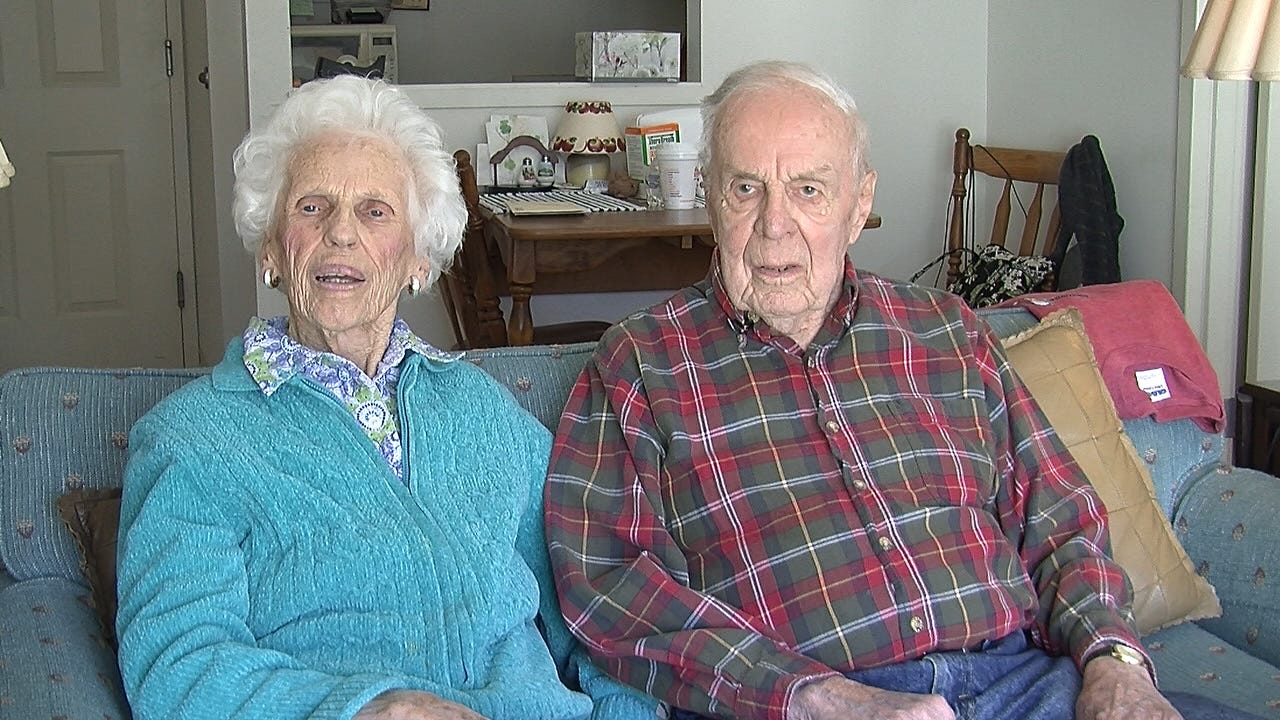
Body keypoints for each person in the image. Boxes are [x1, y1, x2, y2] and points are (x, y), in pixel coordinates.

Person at [543, 60, 1262, 720]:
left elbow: (1062, 520)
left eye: (809, 190)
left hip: (1028, 686)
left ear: (859, 205)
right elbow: (610, 591)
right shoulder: (640, 362)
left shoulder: (946, 331)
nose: (774, 225)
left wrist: (1115, 662)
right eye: (745, 188)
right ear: (709, 199)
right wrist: (819, 698)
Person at [114, 76, 657, 720]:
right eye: (312, 206)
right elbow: (178, 664)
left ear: (417, 262)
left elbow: (594, 608)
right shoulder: (193, 440)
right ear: (271, 248)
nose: (341, 234)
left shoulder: (483, 414)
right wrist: (371, 708)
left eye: (375, 211)